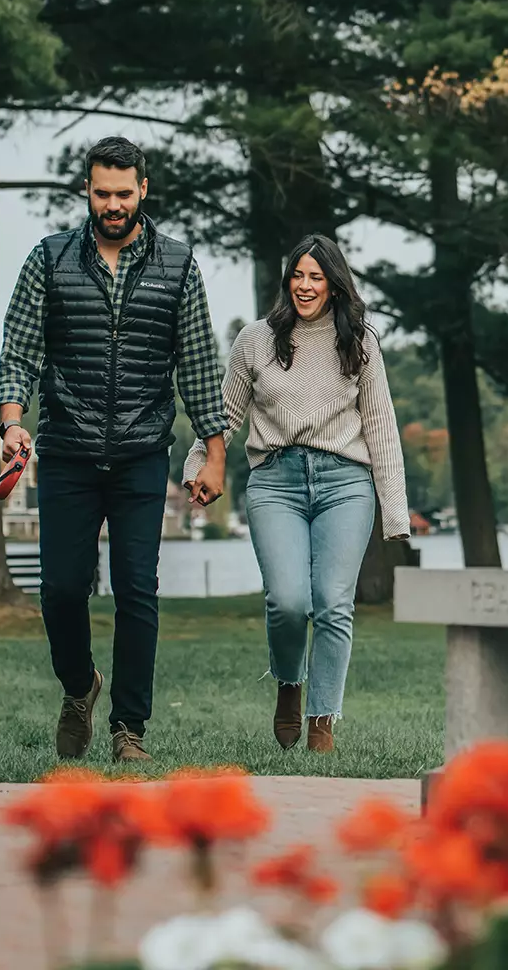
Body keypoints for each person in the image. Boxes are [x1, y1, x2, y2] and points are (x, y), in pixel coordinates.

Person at [0, 136, 228, 763]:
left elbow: (200, 366)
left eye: (124, 194)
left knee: (136, 590)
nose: (113, 205)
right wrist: (12, 423)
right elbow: (18, 352)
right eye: (103, 194)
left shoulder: (177, 265)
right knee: (62, 591)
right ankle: (80, 687)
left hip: (140, 453)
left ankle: (130, 730)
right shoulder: (49, 260)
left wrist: (215, 452)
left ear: (143, 191)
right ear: (88, 192)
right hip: (67, 450)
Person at [183, 234, 408, 754]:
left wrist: (395, 511)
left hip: (345, 484)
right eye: (298, 275)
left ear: (333, 283)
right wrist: (200, 464)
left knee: (333, 604)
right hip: (275, 481)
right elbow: (225, 417)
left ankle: (322, 721)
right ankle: (290, 682)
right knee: (287, 602)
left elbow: (381, 429)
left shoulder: (360, 343)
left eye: (316, 276)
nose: (305, 286)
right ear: (288, 280)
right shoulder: (255, 340)